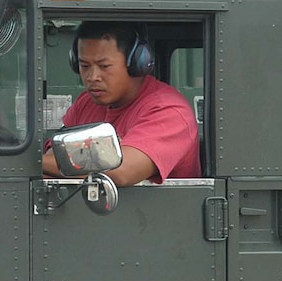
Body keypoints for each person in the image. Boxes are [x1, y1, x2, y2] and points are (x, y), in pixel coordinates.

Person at [42, 21, 200, 186]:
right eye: (84, 66)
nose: (92, 76)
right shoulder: (86, 103)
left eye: (104, 66)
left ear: (136, 63)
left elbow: (121, 172)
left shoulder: (169, 112)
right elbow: (55, 154)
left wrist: (29, 165)